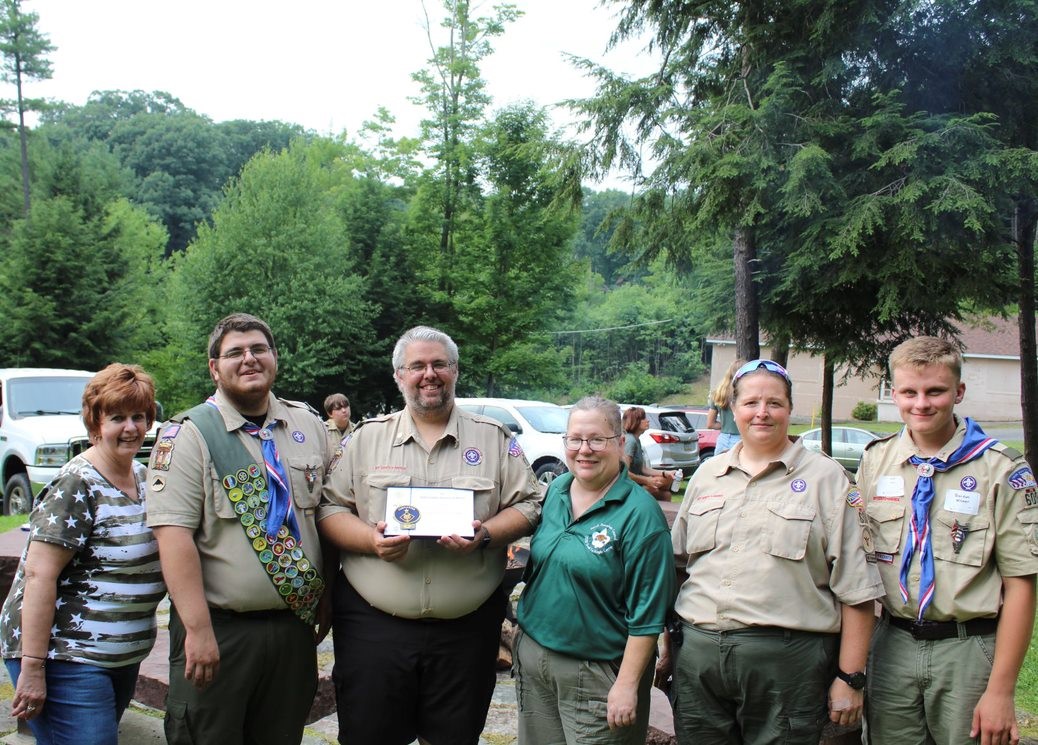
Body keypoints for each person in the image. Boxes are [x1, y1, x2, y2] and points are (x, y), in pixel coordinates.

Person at [319, 325, 543, 745]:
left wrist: (486, 535)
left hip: (466, 632)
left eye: (439, 364)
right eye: (417, 365)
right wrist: (370, 540)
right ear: (399, 375)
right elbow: (330, 508)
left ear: (455, 370)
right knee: (369, 735)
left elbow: (530, 504)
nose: (429, 374)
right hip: (374, 630)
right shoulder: (365, 439)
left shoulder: (493, 438)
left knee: (455, 737)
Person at [667, 359, 884, 745]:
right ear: (734, 409)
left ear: (790, 409)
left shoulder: (827, 479)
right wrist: (668, 647)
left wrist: (850, 678)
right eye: (750, 402)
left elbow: (858, 588)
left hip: (787, 665)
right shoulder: (706, 475)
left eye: (774, 403)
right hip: (699, 659)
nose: (761, 413)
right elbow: (678, 568)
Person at [145, 313, 332, 745]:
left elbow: (326, 515)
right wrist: (197, 630)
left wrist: (330, 598)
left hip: (293, 630)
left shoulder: (308, 425)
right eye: (234, 353)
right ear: (215, 367)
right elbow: (173, 538)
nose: (249, 359)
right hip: (219, 630)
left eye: (258, 349)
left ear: (274, 358)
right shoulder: (187, 435)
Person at [857, 337, 1038, 745]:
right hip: (892, 645)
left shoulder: (1001, 470)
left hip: (968, 650)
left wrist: (1001, 690)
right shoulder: (875, 460)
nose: (921, 403)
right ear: (894, 393)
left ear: (958, 392)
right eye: (908, 392)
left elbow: (1022, 584)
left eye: (935, 391)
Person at [0, 363, 164, 745]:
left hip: (118, 657)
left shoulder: (143, 478)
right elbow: (40, 575)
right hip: (65, 656)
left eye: (139, 416)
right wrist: (34, 668)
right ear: (95, 424)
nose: (131, 427)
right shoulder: (77, 483)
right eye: (117, 417)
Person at [514, 395, 675, 744]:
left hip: (596, 672)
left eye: (596, 439)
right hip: (536, 659)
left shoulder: (639, 515)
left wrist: (628, 684)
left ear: (620, 443)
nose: (584, 449)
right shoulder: (557, 490)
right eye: (575, 439)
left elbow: (647, 614)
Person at [621, 406, 681, 500]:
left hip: (638, 484)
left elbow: (643, 469)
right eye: (643, 418)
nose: (647, 421)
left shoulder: (637, 440)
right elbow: (624, 473)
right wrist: (647, 480)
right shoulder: (630, 441)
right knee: (663, 488)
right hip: (628, 488)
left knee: (667, 489)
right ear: (635, 421)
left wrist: (666, 473)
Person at [706, 357, 745, 455]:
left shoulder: (718, 393)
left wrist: (725, 426)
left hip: (723, 440)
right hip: (741, 440)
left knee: (718, 469)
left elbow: (710, 424)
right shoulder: (746, 394)